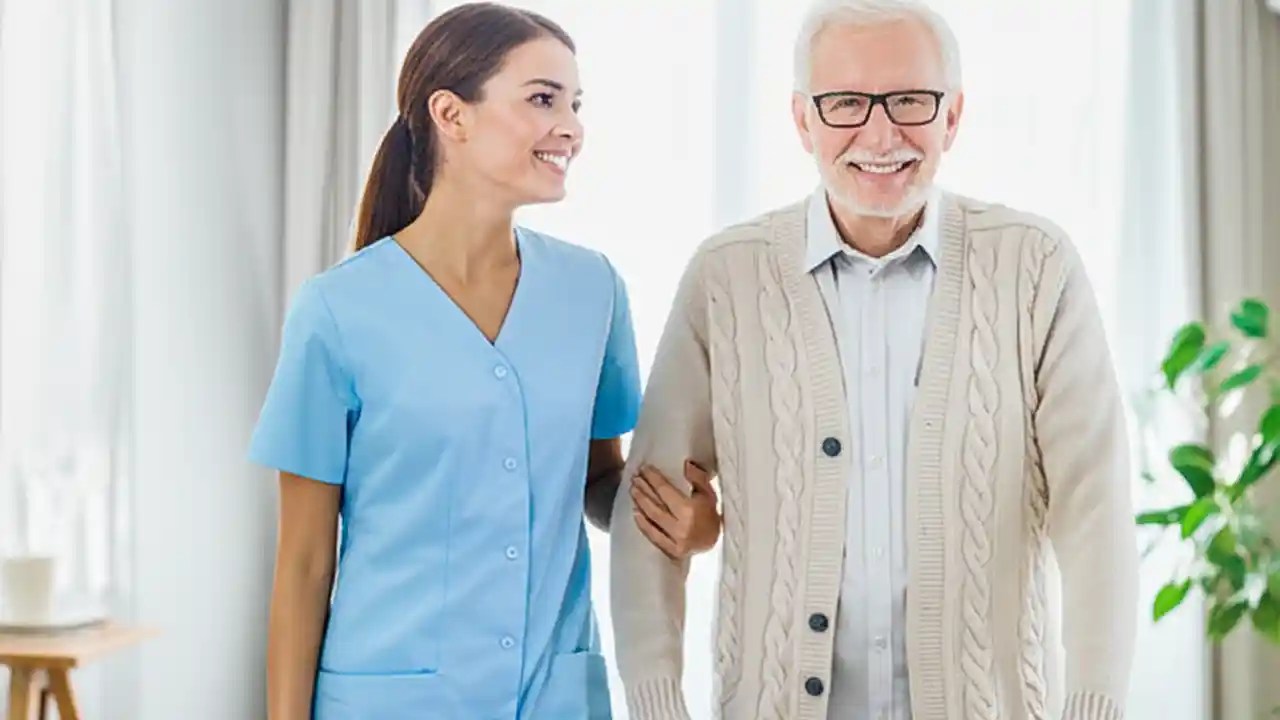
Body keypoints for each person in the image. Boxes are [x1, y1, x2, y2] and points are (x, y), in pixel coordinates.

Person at [610, 1, 1139, 719]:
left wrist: (1094, 707)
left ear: (953, 115)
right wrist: (657, 707)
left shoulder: (1036, 266)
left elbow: (1095, 510)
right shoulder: (725, 277)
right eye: (846, 103)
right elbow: (651, 512)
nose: (881, 134)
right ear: (803, 120)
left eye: (911, 100)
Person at [248, 4, 718, 719]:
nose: (571, 127)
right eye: (543, 99)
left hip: (553, 695)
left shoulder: (591, 290)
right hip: (389, 699)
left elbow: (597, 480)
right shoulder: (338, 311)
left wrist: (683, 523)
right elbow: (306, 563)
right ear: (451, 114)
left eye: (576, 104)